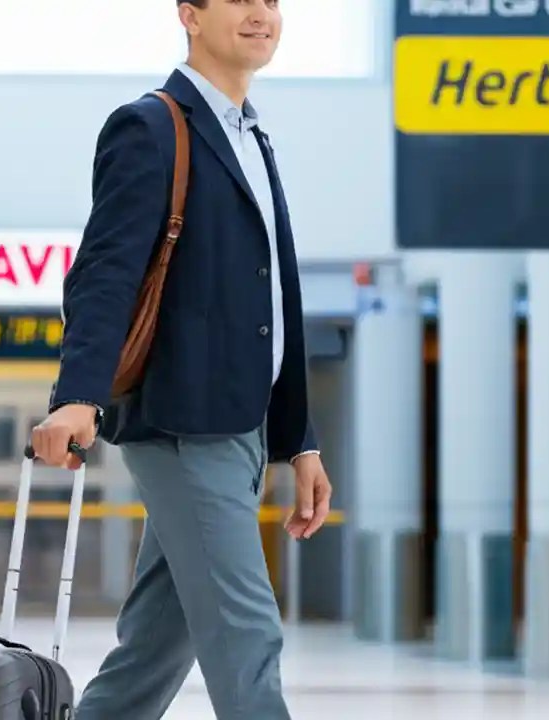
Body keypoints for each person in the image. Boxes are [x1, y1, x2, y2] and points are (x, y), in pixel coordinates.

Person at [29, 1, 333, 717]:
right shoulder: (151, 127)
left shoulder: (254, 140)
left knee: (155, 651)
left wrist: (299, 439)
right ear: (190, 15)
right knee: (246, 632)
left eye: (272, 1)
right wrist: (78, 394)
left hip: (242, 426)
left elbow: (275, 304)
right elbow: (106, 271)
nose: (261, 13)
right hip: (184, 423)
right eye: (239, 0)